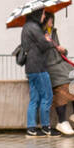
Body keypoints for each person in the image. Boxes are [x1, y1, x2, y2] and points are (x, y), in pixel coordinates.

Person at [41, 10, 74, 136]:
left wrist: (63, 50)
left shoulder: (53, 32)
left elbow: (59, 50)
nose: (51, 21)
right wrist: (46, 43)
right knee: (61, 85)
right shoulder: (39, 33)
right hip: (50, 66)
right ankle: (62, 121)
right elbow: (39, 51)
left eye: (52, 18)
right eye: (49, 18)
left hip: (60, 63)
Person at [19, 9, 56, 137]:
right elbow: (44, 45)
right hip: (39, 68)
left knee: (34, 99)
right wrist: (48, 40)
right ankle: (46, 127)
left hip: (30, 68)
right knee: (47, 96)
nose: (44, 16)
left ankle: (31, 128)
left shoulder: (26, 27)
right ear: (37, 14)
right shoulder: (34, 27)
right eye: (43, 14)